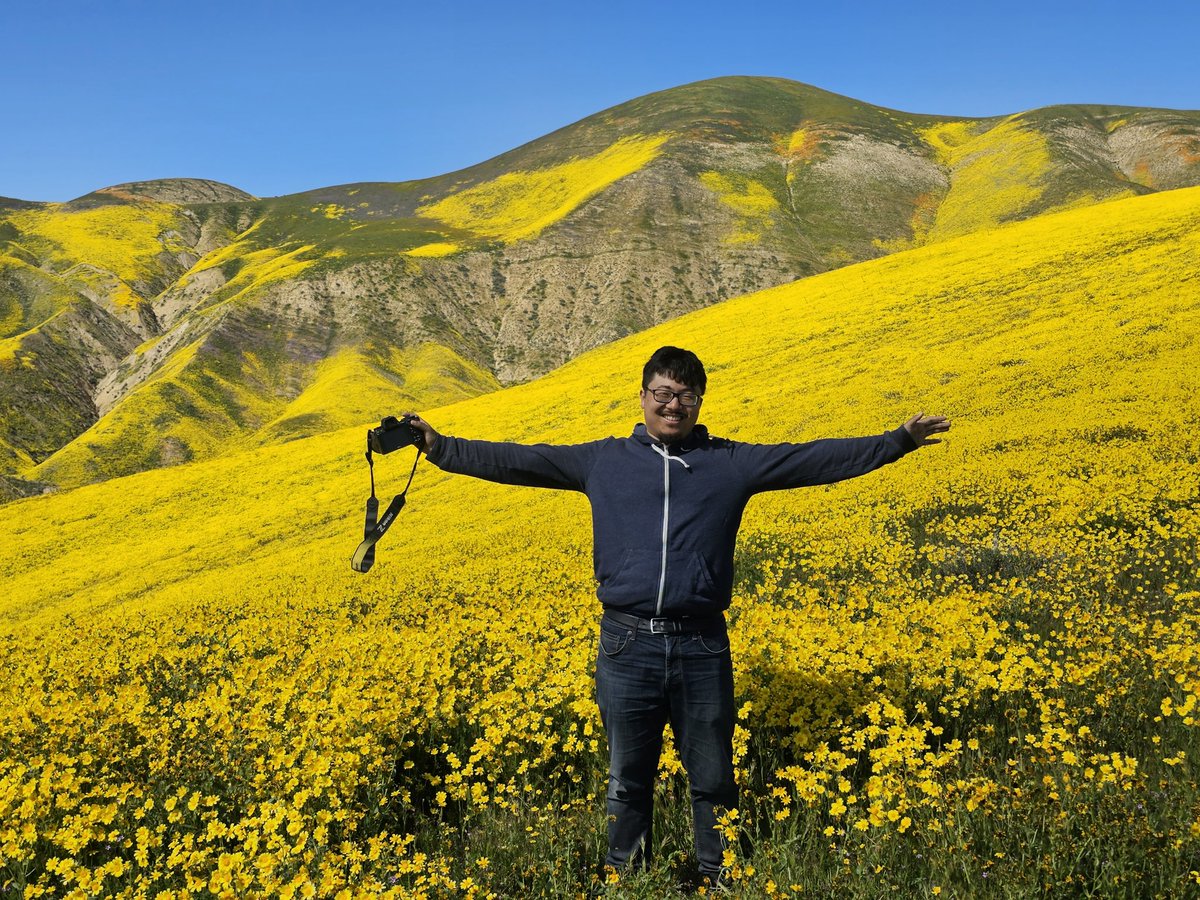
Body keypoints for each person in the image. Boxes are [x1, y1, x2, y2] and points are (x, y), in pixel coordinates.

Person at [403, 345, 949, 886]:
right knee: (627, 778)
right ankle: (625, 877)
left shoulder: (728, 464)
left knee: (713, 776)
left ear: (699, 402)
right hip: (626, 643)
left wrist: (896, 442)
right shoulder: (604, 460)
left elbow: (812, 459)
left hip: (701, 644)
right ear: (642, 398)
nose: (673, 406)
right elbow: (520, 461)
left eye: (685, 396)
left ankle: (720, 877)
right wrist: (441, 447)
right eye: (663, 394)